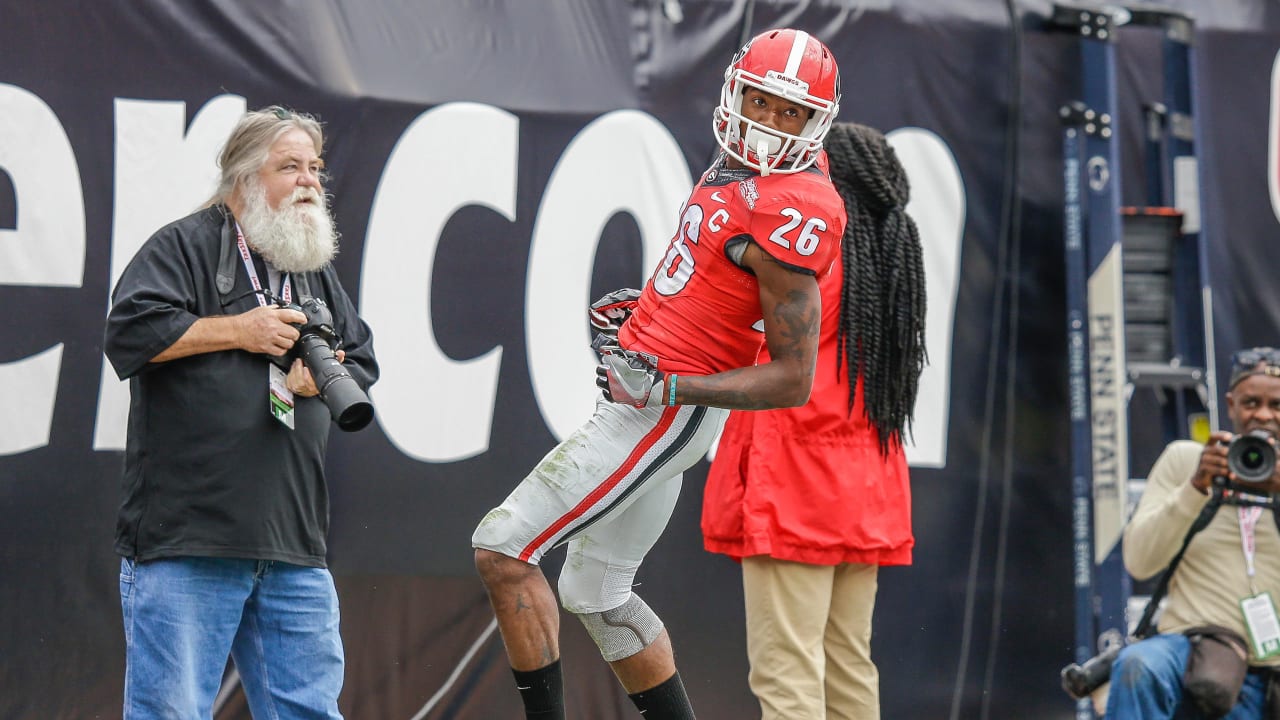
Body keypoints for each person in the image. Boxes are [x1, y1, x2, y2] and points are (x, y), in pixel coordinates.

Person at [471, 28, 846, 720]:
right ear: (736, 90)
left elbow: (792, 378)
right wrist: (647, 309)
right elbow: (715, 286)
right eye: (759, 102)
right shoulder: (738, 170)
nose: (765, 124)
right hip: (656, 391)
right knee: (598, 593)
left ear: (815, 122)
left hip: (667, 409)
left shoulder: (798, 207)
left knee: (502, 545)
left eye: (788, 113)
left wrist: (668, 388)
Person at [104, 105, 378, 719]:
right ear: (244, 178)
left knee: (309, 711)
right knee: (170, 713)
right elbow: (130, 333)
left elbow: (360, 360)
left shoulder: (310, 270)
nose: (310, 180)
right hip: (188, 542)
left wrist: (312, 381)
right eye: (291, 166)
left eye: (315, 168)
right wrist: (240, 331)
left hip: (292, 548)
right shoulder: (183, 245)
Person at [701, 122, 926, 720]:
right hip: (866, 491)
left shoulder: (815, 258)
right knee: (849, 664)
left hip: (796, 484)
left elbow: (760, 356)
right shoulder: (887, 260)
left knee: (787, 673)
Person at [1103, 347, 1280, 719]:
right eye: (1251, 403)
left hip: (1274, 668)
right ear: (1231, 405)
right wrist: (1196, 487)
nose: (1263, 415)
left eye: (1276, 405)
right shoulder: (1188, 459)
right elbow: (1138, 562)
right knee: (1138, 665)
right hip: (1199, 649)